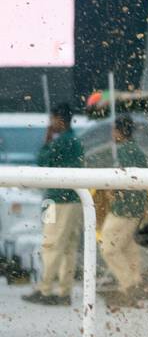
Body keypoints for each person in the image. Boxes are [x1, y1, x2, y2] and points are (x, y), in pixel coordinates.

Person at [23, 103, 84, 306]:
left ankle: (45, 288)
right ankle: (64, 291)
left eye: (52, 119)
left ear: (60, 120)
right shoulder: (75, 140)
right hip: (74, 200)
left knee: (51, 244)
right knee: (68, 247)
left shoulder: (60, 142)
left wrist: (47, 140)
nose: (50, 123)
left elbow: (42, 163)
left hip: (58, 200)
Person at [101, 117, 148, 308]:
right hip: (136, 207)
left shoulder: (125, 151)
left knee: (109, 247)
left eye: (114, 130)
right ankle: (134, 283)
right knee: (128, 248)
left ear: (120, 132)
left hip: (124, 208)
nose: (112, 134)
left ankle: (128, 286)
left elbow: (124, 180)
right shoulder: (135, 149)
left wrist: (113, 192)